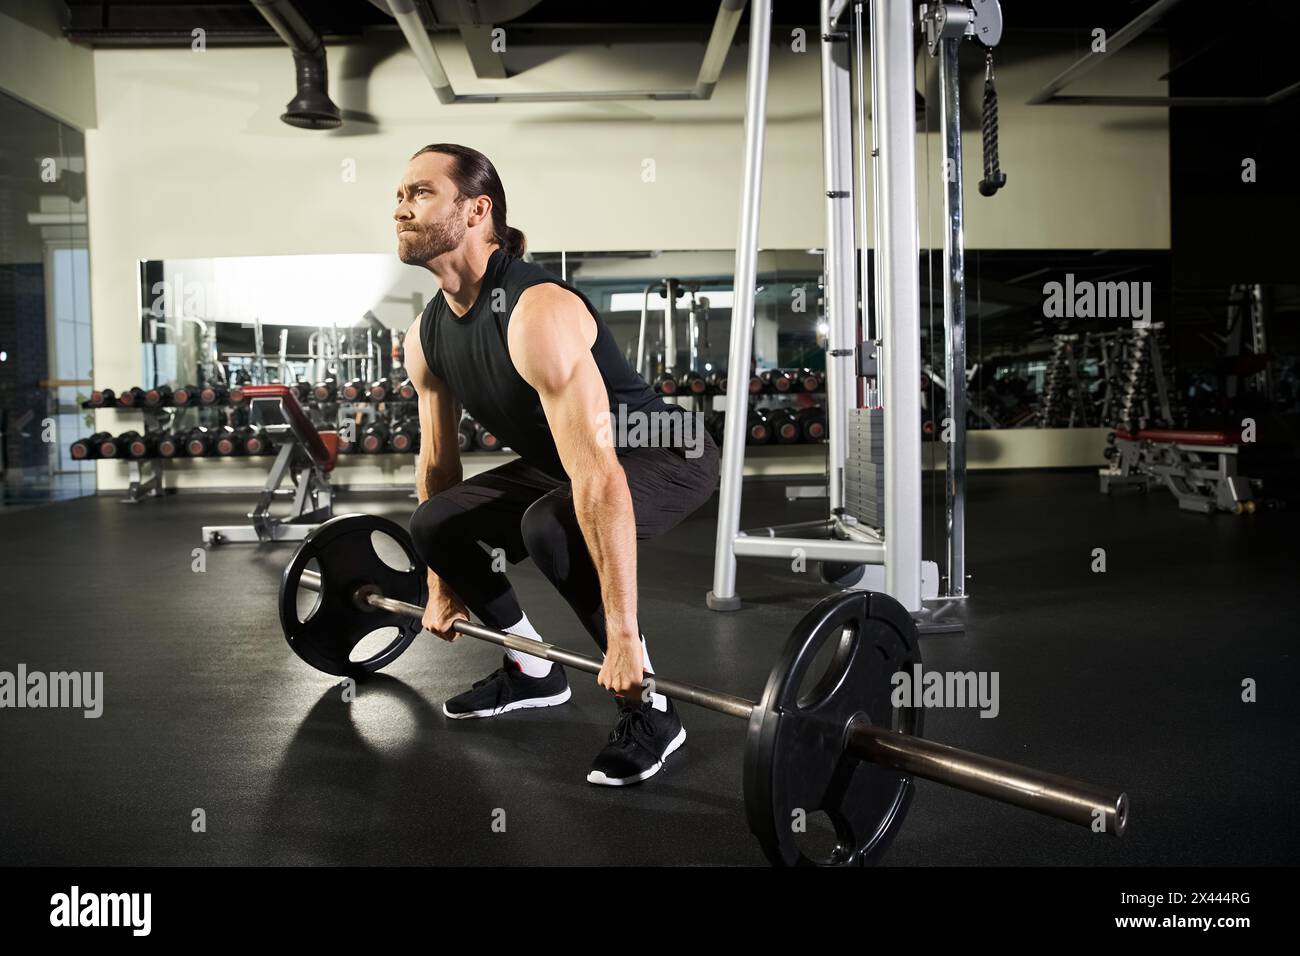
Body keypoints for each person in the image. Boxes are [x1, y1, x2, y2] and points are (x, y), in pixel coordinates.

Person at [397, 143, 719, 786]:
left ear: (476, 210)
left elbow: (599, 473)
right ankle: (531, 668)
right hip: (568, 459)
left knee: (554, 523)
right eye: (399, 197)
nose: (402, 208)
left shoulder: (536, 310)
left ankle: (650, 708)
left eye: (421, 192)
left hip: (664, 450)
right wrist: (441, 580)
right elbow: (437, 464)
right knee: (435, 524)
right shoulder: (425, 335)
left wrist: (624, 634)